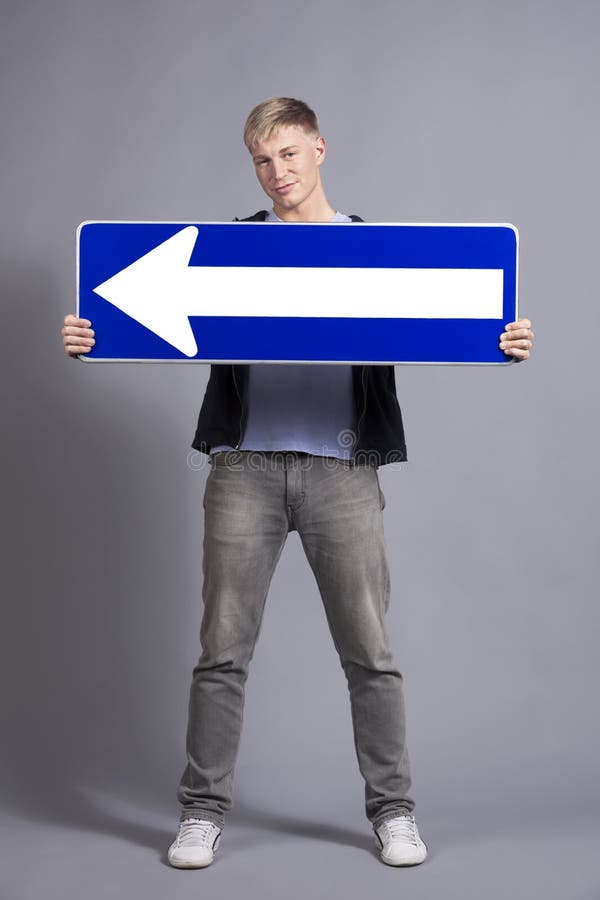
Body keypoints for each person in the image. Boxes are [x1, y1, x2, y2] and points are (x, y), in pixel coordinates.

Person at [62, 97, 534, 869]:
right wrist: (91, 333)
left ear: (319, 149)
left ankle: (393, 811)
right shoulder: (228, 249)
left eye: (287, 153)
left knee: (369, 654)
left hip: (343, 472)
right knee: (221, 653)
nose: (275, 172)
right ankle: (202, 811)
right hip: (241, 470)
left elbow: (461, 315)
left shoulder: (371, 247)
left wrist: (505, 336)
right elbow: (129, 319)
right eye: (260, 159)